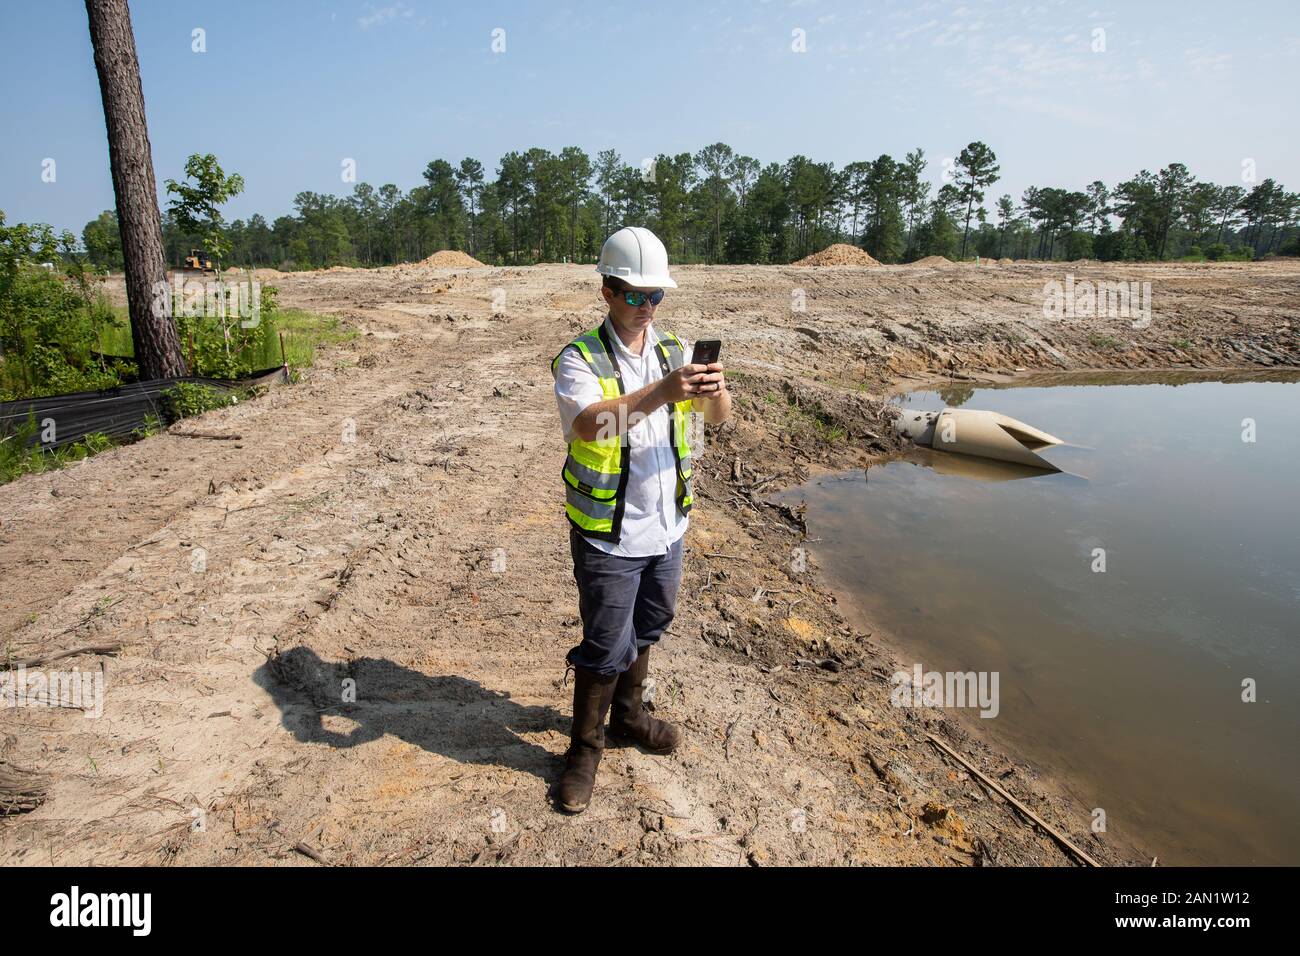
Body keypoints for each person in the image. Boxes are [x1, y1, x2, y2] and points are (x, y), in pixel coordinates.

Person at [550, 226, 731, 813]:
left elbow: (717, 420)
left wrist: (713, 390)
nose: (646, 307)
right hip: (609, 534)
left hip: (667, 527)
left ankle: (628, 716)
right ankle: (584, 750)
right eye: (634, 295)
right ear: (607, 290)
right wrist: (663, 391)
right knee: (604, 645)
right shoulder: (579, 358)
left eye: (656, 297)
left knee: (652, 624)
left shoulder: (674, 350)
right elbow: (590, 426)